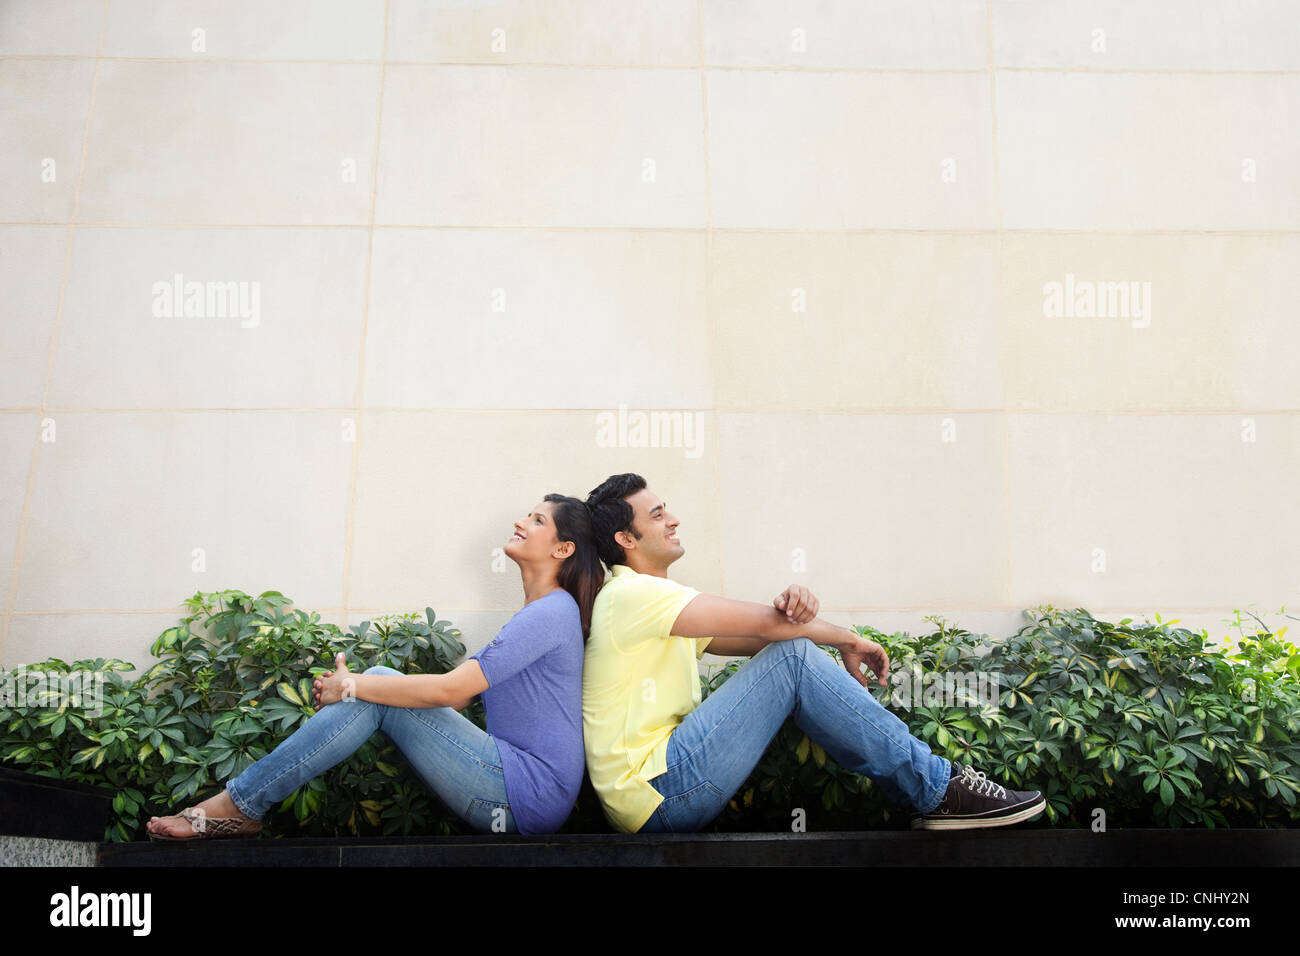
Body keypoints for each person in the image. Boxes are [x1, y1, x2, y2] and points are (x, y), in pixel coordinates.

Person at [581, 473, 1046, 834]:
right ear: (626, 539)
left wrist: (793, 609)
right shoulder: (632, 595)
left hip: (660, 792)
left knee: (793, 652)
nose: (674, 519)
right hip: (660, 791)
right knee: (795, 656)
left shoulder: (650, 602)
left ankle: (938, 787)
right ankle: (940, 788)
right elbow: (774, 635)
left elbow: (767, 637)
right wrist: (844, 637)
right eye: (658, 515)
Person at [147, 493, 602, 840]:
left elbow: (449, 690)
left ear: (563, 549)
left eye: (537, 520)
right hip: (520, 787)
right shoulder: (543, 613)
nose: (521, 521)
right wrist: (357, 689)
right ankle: (240, 805)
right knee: (375, 688)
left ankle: (239, 805)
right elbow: (462, 696)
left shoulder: (550, 612)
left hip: (524, 794)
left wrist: (354, 686)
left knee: (377, 684)